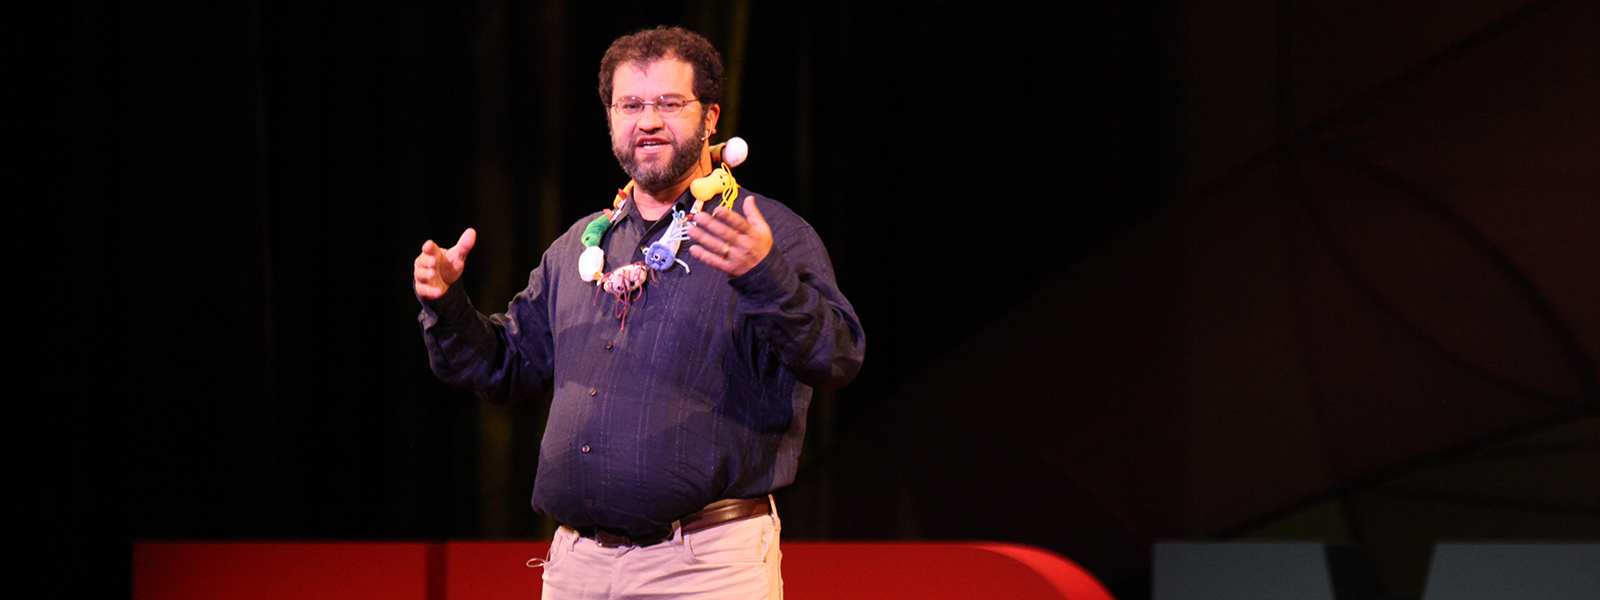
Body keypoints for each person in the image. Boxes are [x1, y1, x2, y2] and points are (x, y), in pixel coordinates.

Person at [412, 26, 865, 600]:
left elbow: (837, 358)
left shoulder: (765, 232)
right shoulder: (582, 246)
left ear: (710, 117)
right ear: (610, 120)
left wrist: (763, 274)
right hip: (578, 566)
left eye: (670, 104)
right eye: (630, 105)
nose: (647, 121)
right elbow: (506, 368)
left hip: (704, 568)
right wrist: (445, 301)